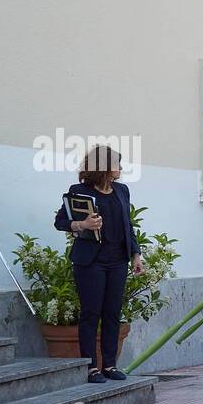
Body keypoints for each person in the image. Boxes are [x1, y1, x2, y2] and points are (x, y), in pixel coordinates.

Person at [55, 145, 145, 382]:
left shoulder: (122, 191)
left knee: (113, 314)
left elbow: (128, 226)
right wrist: (82, 225)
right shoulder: (79, 191)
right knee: (90, 314)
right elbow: (60, 221)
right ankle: (91, 367)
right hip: (91, 261)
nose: (121, 169)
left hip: (118, 261)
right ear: (103, 167)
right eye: (118, 164)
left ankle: (110, 365)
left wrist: (136, 254)